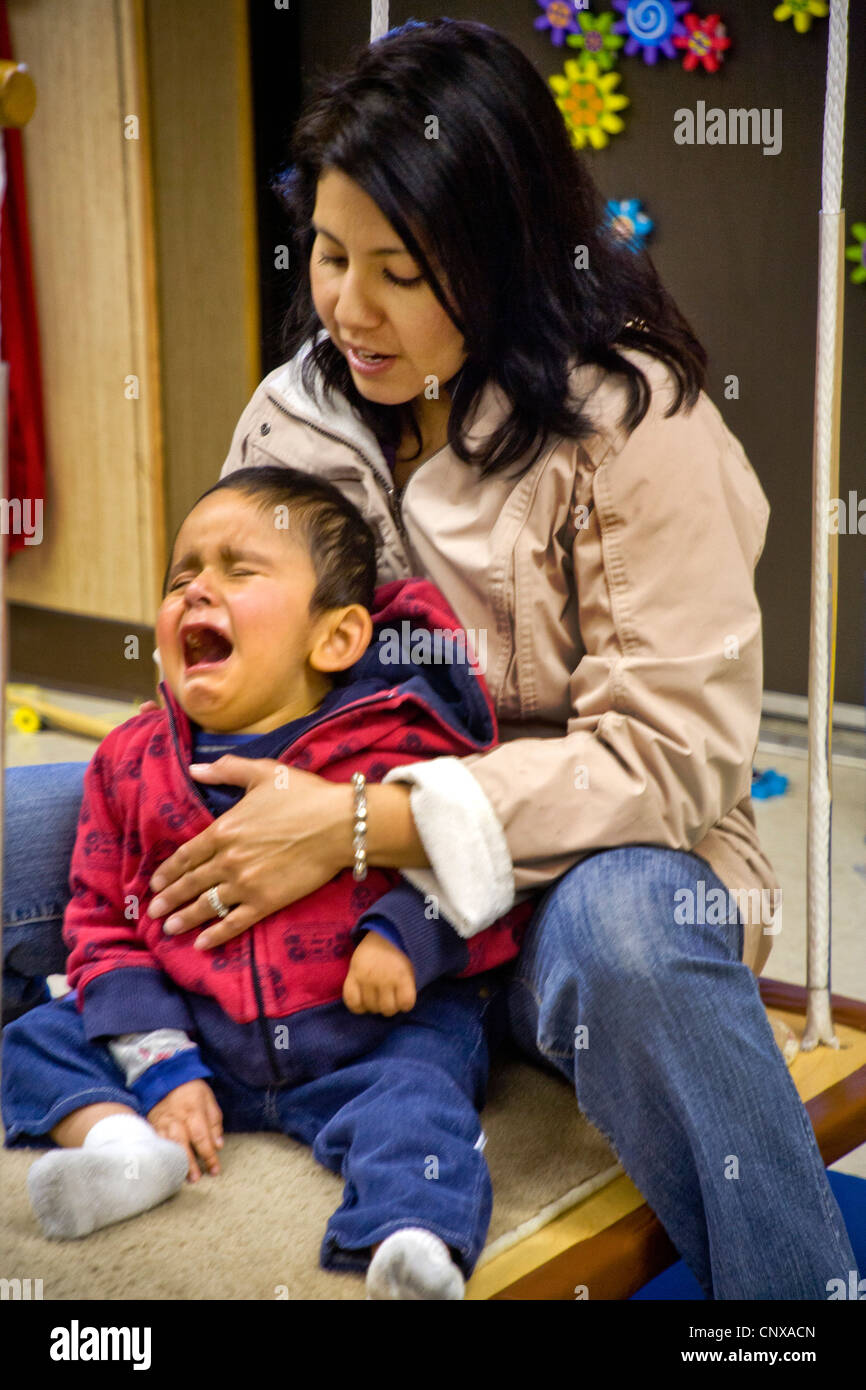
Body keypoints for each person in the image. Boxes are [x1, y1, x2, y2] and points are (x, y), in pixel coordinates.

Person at [3, 18, 858, 1299]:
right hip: (314, 868)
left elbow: (668, 759)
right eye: (331, 255)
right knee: (24, 826)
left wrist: (371, 822)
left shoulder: (638, 425)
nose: (346, 306)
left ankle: (790, 1306)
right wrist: (185, 782)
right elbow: (226, 661)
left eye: (395, 270)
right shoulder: (300, 407)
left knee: (637, 929)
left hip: (572, 876)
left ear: (499, 252)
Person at [1, 464, 533, 1300]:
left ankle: (410, 1241)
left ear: (336, 639)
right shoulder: (131, 763)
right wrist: (162, 1065)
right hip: (200, 1033)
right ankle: (122, 1150)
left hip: (364, 1042)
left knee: (421, 1105)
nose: (197, 591)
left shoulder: (394, 748)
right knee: (35, 1038)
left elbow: (484, 876)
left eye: (238, 572)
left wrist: (402, 935)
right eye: (182, 578)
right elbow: (101, 922)